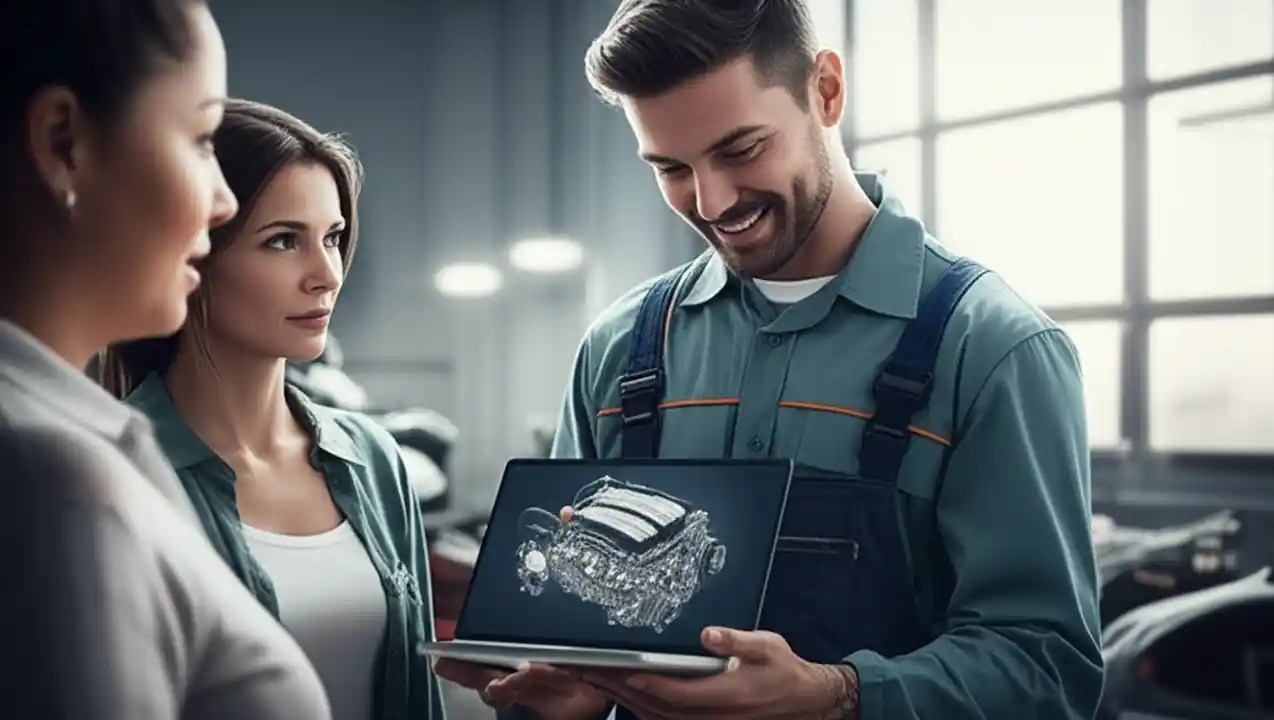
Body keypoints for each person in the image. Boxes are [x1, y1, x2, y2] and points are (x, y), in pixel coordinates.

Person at [435, 1, 1104, 719]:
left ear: (826, 91)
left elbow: (1046, 666)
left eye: (741, 149)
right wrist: (567, 694)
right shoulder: (618, 348)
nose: (712, 200)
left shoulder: (996, 350)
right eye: (670, 168)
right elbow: (567, 642)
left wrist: (838, 697)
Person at [0, 1, 331, 718]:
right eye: (203, 136)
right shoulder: (53, 477)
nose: (220, 201)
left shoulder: (76, 450)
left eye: (334, 237)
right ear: (63, 142)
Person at [98, 98, 447, 720]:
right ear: (192, 256)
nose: (326, 274)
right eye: (284, 240)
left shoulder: (371, 458)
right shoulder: (117, 475)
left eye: (333, 237)